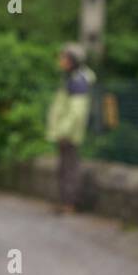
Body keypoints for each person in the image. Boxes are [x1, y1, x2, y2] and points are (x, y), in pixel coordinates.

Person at [45, 43, 96, 213]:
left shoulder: (77, 81)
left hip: (69, 134)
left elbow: (77, 112)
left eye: (64, 57)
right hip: (66, 132)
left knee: (69, 169)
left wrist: (63, 131)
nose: (61, 60)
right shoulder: (71, 78)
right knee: (65, 168)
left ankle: (70, 204)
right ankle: (66, 202)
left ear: (73, 61)